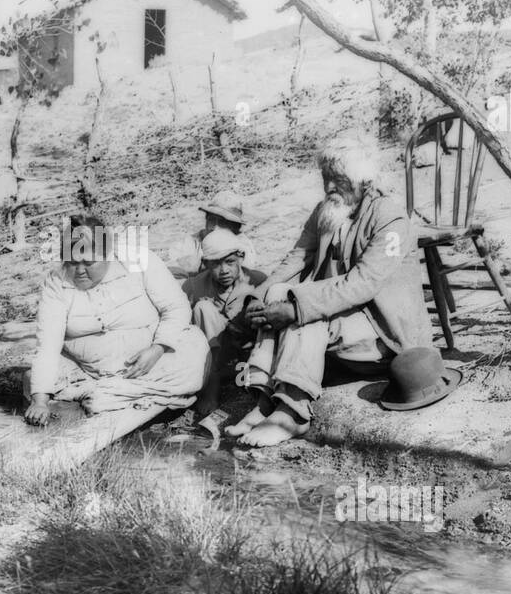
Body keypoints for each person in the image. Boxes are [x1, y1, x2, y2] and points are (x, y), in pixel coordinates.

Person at [226, 145, 432, 447]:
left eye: (339, 179)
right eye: (326, 177)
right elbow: (295, 259)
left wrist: (297, 307)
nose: (329, 186)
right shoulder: (328, 210)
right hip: (340, 322)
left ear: (364, 182)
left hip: (382, 332)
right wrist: (257, 297)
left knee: (305, 312)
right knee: (278, 292)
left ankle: (293, 414)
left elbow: (362, 284)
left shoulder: (391, 219)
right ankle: (264, 400)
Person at [23, 213, 210, 425]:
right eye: (73, 263)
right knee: (34, 380)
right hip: (89, 370)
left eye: (89, 262)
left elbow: (176, 307)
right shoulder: (56, 282)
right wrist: (39, 402)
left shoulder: (138, 260)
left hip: (152, 362)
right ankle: (119, 396)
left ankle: (107, 397)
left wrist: (157, 349)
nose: (80, 271)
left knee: (194, 352)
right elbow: (48, 346)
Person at [181, 228, 262, 423]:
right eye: (216, 264)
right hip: (213, 351)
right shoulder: (193, 285)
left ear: (240, 258)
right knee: (203, 308)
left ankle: (249, 386)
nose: (224, 270)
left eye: (230, 262)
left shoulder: (258, 281)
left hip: (247, 351)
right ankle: (211, 386)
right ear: (206, 264)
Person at [167, 190, 263, 279]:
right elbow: (170, 268)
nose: (214, 227)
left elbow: (242, 272)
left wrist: (203, 265)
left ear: (234, 227)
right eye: (211, 219)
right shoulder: (196, 239)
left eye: (222, 222)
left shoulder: (241, 245)